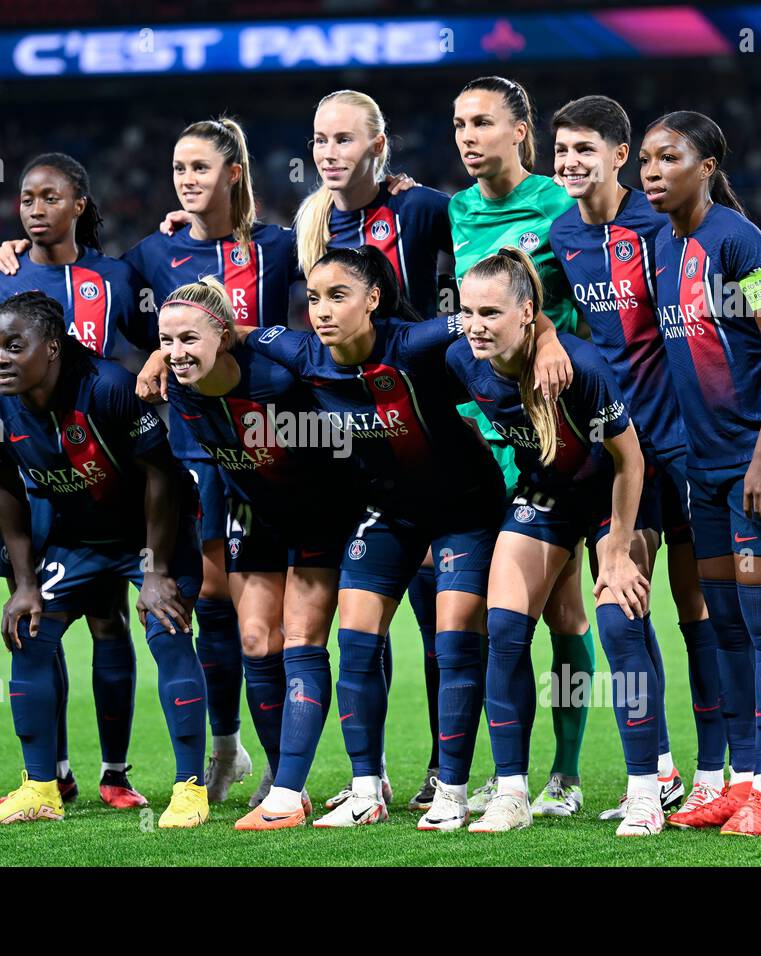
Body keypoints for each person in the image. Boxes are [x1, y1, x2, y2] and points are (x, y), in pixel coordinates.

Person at [0, 119, 302, 805]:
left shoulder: (279, 247)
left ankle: (294, 769)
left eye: (200, 167)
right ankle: (227, 750)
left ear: (234, 173)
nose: (186, 180)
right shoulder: (153, 255)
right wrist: (22, 247)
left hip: (268, 444)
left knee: (267, 624)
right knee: (211, 606)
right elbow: (93, 283)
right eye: (178, 168)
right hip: (193, 447)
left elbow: (348, 285)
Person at [242, 246, 563, 828]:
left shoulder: (413, 343)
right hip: (391, 512)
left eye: (338, 296)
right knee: (356, 641)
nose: (321, 310)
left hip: (464, 509)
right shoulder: (302, 352)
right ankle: (367, 789)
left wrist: (551, 340)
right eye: (313, 298)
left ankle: (452, 792)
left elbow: (497, 315)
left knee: (456, 644)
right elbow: (234, 332)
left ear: (372, 299)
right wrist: (161, 356)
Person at [450, 75, 628, 816]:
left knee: (565, 615)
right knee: (505, 618)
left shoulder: (559, 202)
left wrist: (551, 336)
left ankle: (565, 774)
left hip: (568, 429)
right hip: (498, 438)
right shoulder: (453, 209)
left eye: (483, 122)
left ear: (521, 130)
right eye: (460, 124)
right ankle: (497, 776)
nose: (468, 137)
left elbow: (566, 299)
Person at [640, 111, 761, 836]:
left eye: (669, 157)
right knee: (725, 627)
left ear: (707, 166)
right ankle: (739, 781)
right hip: (708, 468)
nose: (652, 171)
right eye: (645, 160)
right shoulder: (663, 246)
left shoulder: (741, 242)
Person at [0, 290, 210, 828]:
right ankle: (40, 789)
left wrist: (155, 571)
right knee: (29, 634)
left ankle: (190, 790)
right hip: (76, 538)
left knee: (167, 631)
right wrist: (23, 584)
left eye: (14, 346)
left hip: (151, 534)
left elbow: (162, 476)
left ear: (52, 348)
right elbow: (4, 486)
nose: (0, 358)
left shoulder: (108, 387)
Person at [549, 95, 726, 819]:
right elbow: (535, 304)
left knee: (698, 608)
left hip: (690, 444)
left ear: (620, 156)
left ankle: (714, 773)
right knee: (624, 607)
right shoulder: (562, 233)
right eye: (561, 151)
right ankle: (654, 773)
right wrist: (552, 338)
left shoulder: (662, 222)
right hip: (626, 449)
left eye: (584, 150)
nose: (570, 163)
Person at [447, 247, 663, 835]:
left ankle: (646, 793)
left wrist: (616, 551)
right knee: (504, 628)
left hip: (617, 493)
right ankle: (511, 793)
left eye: (490, 313)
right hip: (547, 493)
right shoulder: (462, 359)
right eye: (468, 312)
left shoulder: (580, 368)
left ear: (527, 313)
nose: (475, 326)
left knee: (618, 621)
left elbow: (630, 460)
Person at [0, 153, 151, 809]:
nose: (35, 209)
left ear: (79, 203)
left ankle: (115, 775)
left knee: (107, 619)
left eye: (50, 197)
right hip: (30, 480)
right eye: (26, 199)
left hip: (100, 475)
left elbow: (156, 342)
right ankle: (52, 774)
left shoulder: (115, 276)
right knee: (35, 617)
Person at [150, 275, 363, 829]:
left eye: (188, 340)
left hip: (317, 512)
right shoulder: (182, 388)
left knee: (305, 640)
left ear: (223, 336)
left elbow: (343, 437)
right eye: (166, 341)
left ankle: (333, 781)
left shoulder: (280, 380)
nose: (176, 353)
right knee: (254, 641)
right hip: (252, 512)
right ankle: (283, 779)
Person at [293, 88, 456, 812]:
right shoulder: (309, 224)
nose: (329, 152)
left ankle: (446, 769)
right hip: (354, 435)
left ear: (378, 145)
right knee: (368, 608)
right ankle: (374, 773)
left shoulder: (418, 209)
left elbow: (484, 248)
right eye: (320, 139)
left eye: (344, 138)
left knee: (438, 614)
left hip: (430, 420)